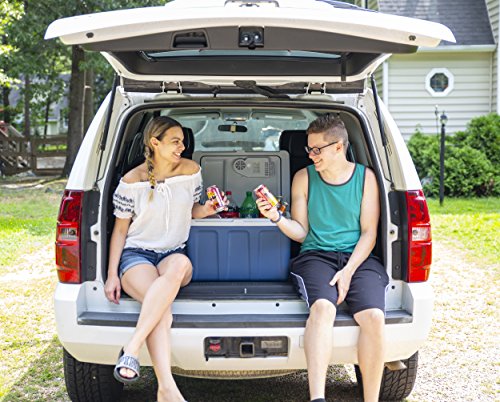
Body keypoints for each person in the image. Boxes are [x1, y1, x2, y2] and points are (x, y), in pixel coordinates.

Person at [256, 114, 389, 402]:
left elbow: (369, 234)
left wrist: (349, 271)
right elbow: (302, 232)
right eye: (309, 149)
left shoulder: (366, 178)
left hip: (358, 257)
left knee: (374, 317)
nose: (312, 155)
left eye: (318, 149)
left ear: (339, 147)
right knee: (323, 309)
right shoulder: (303, 177)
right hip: (316, 256)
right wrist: (277, 217)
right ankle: (318, 398)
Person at [104, 116, 221, 402]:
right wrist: (111, 275)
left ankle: (132, 347)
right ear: (154, 143)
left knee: (180, 265)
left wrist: (209, 209)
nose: (182, 147)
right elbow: (120, 232)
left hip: (173, 254)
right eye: (175, 141)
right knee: (162, 312)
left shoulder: (192, 171)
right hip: (137, 255)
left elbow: (192, 211)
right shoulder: (131, 182)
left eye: (183, 141)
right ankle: (166, 388)